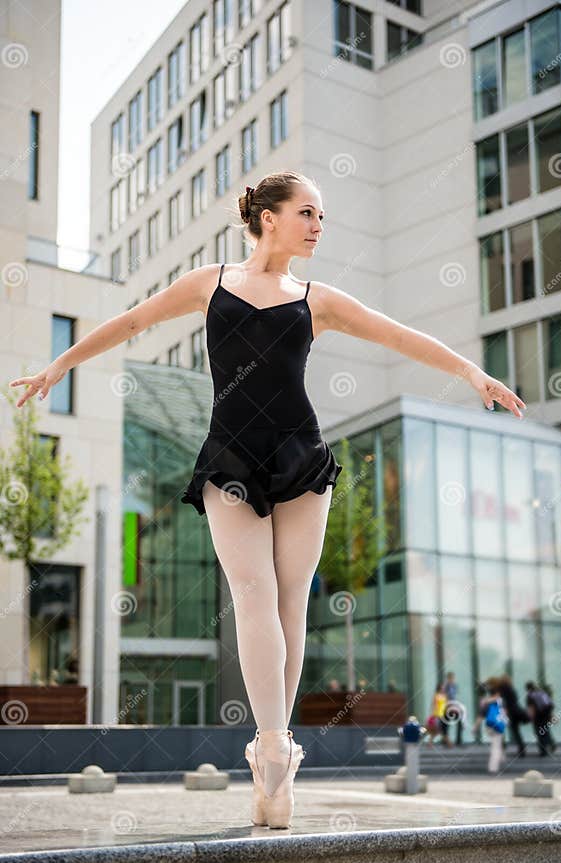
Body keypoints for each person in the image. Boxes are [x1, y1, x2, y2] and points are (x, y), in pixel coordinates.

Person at [8, 171, 526, 828]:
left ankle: (275, 756)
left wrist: (473, 373)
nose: (318, 225)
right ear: (270, 216)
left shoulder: (317, 298)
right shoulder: (210, 282)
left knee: (289, 599)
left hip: (300, 454)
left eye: (323, 216)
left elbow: (398, 336)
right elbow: (132, 320)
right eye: (308, 212)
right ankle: (276, 747)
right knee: (250, 592)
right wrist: (59, 366)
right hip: (229, 454)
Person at [497, 673, 528, 757]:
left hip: (508, 712)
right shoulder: (512, 688)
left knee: (501, 729)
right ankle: (521, 749)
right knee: (516, 731)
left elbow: (502, 701)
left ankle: (502, 747)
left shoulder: (503, 689)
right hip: (516, 712)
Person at [525, 681, 557, 756]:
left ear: (528, 688)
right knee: (545, 730)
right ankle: (551, 743)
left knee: (539, 732)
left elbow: (531, 708)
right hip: (546, 713)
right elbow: (549, 704)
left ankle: (543, 751)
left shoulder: (530, 695)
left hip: (538, 715)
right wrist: (551, 716)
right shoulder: (541, 692)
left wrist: (531, 718)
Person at [443, 672, 464, 746]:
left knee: (460, 722)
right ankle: (446, 741)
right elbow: (444, 697)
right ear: (448, 678)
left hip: (454, 707)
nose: (452, 679)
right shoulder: (445, 686)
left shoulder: (455, 686)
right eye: (450, 678)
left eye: (453, 678)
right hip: (447, 707)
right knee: (445, 724)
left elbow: (455, 697)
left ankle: (459, 740)